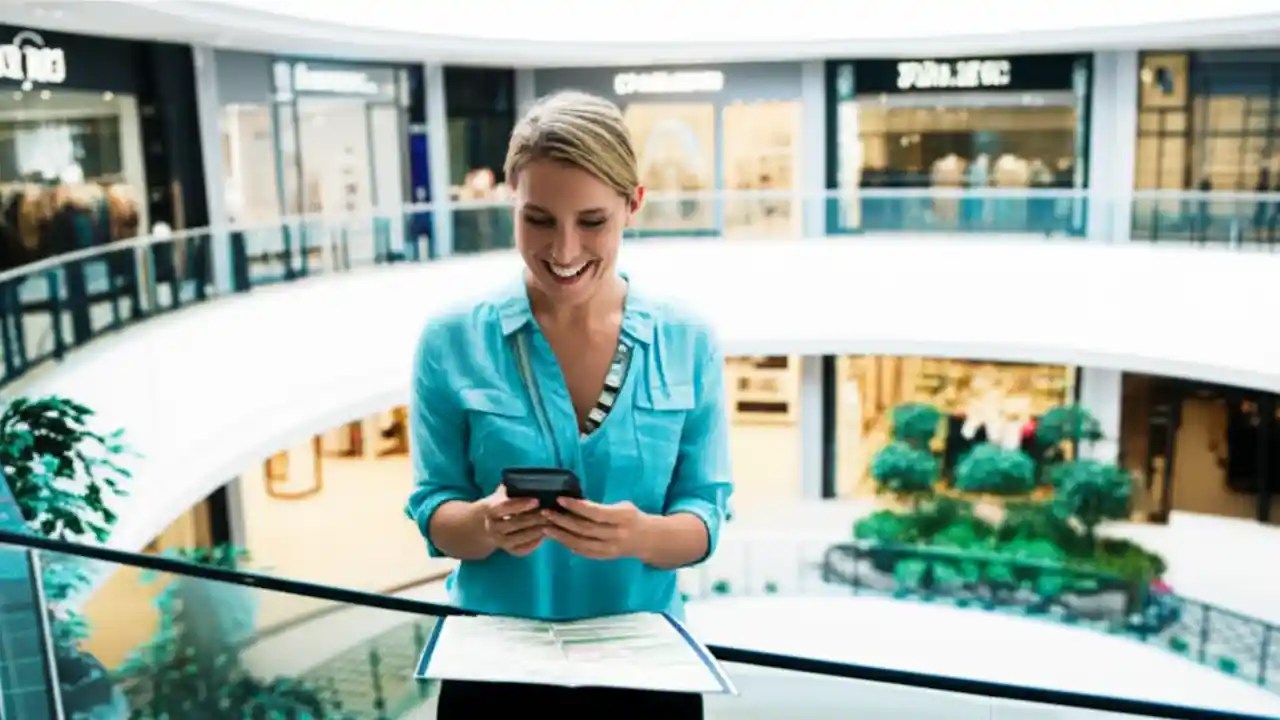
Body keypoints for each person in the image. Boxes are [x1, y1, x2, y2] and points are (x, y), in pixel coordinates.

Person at [405, 90, 733, 718]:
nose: (563, 251)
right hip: (494, 673)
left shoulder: (688, 339)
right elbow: (433, 507)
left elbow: (704, 516)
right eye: (538, 219)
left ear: (633, 204)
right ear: (511, 201)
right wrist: (484, 525)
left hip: (645, 675)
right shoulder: (450, 340)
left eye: (592, 222)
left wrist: (640, 536)